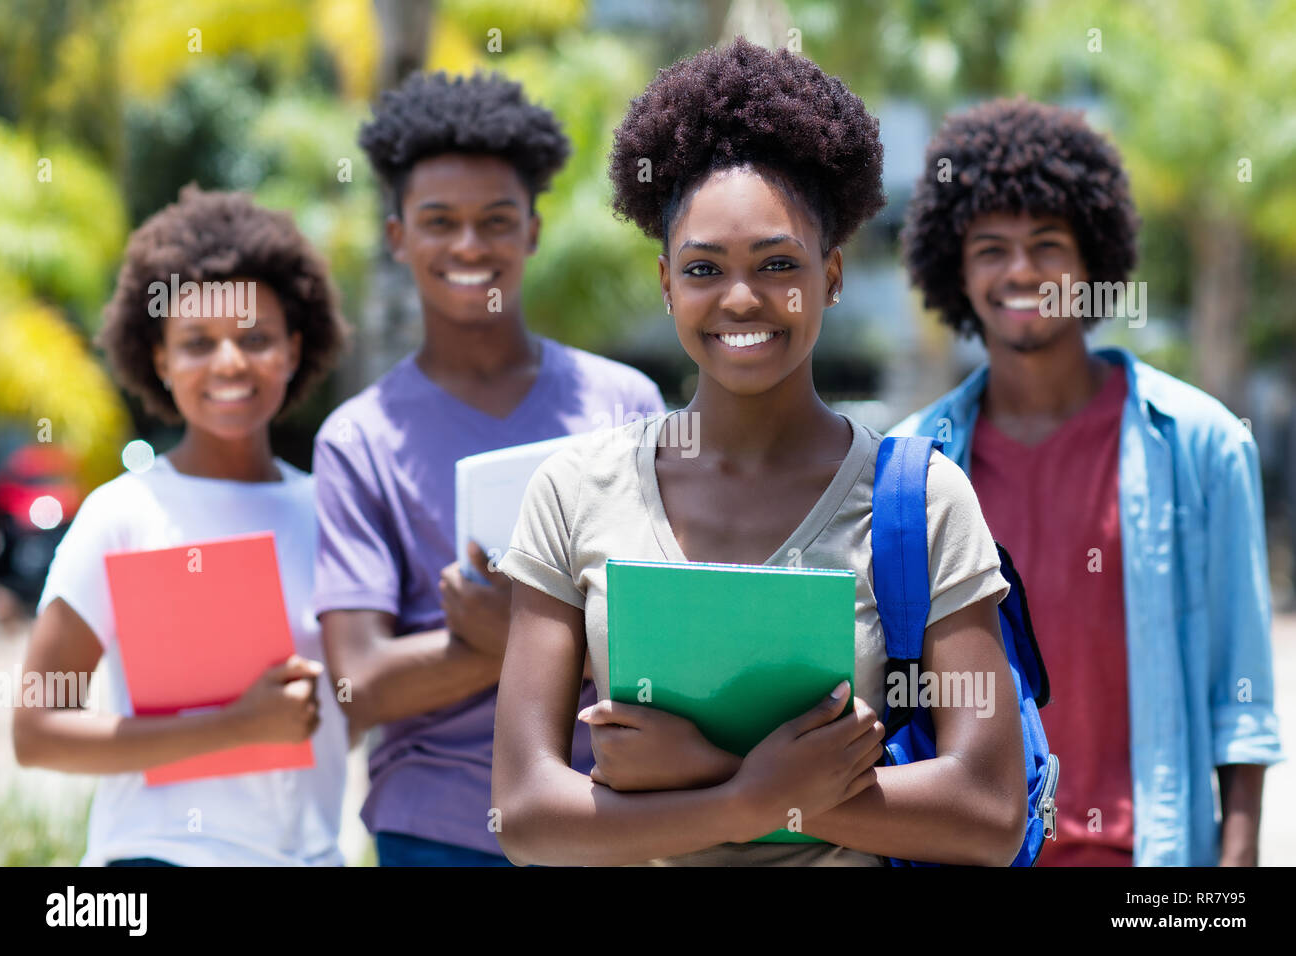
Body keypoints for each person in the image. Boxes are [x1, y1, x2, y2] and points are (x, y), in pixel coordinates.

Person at [491, 38, 1026, 867]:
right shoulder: (574, 490)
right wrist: (752, 795)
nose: (742, 299)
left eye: (779, 264)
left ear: (833, 275)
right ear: (667, 283)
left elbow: (990, 812)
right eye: (705, 268)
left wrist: (718, 781)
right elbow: (524, 814)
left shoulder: (920, 500)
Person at [891, 97, 1284, 865]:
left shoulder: (1200, 444)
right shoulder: (912, 464)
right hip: (976, 852)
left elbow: (1242, 703)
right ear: (955, 270)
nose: (1022, 271)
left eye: (1048, 244)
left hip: (1150, 861)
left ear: (1091, 260)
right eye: (991, 248)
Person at [313, 69, 666, 867]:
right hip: (436, 826)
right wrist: (526, 641)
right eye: (439, 221)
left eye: (495, 221)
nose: (470, 246)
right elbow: (359, 686)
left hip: (610, 815)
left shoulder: (624, 405)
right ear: (398, 235)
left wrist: (510, 634)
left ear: (533, 231)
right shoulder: (358, 439)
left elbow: (666, 635)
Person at [12, 185, 350, 866]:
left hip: (309, 856)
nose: (229, 362)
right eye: (198, 342)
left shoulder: (334, 512)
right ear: (160, 360)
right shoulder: (121, 515)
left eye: (254, 338)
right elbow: (37, 731)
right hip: (158, 858)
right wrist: (233, 728)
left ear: (292, 349)